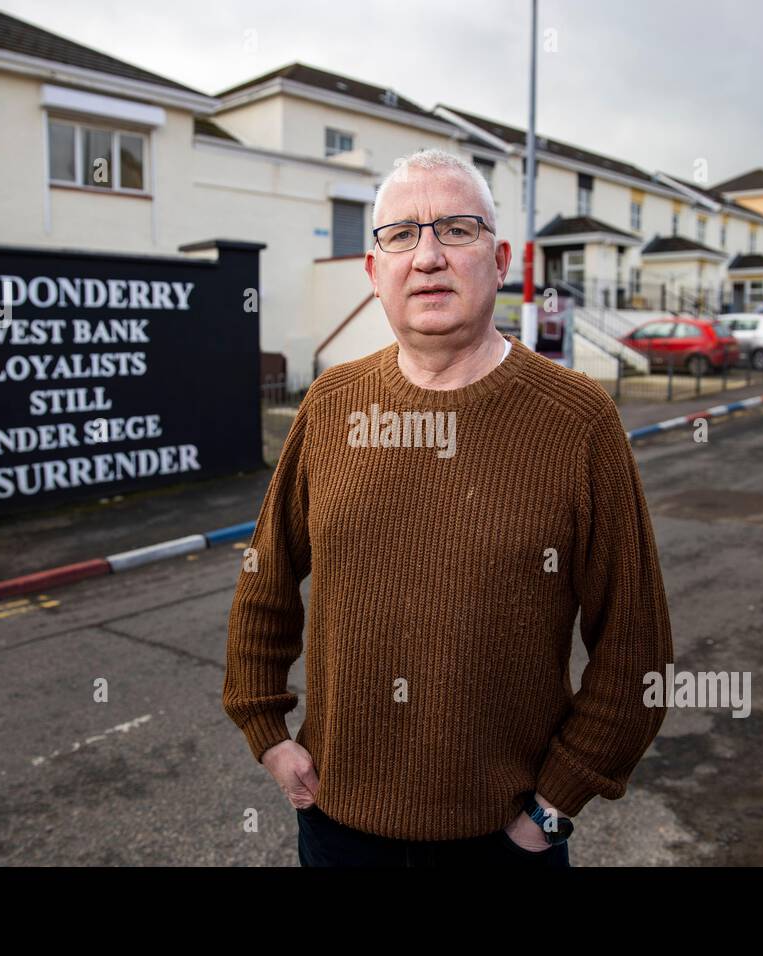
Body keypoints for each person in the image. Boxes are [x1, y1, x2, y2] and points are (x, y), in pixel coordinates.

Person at [222, 147, 674, 867]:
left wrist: (553, 808)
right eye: (401, 235)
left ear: (499, 260)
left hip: (504, 843)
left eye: (455, 231)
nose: (426, 256)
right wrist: (266, 729)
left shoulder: (577, 419)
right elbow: (264, 579)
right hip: (337, 833)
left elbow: (636, 645)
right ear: (375, 273)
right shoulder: (333, 404)